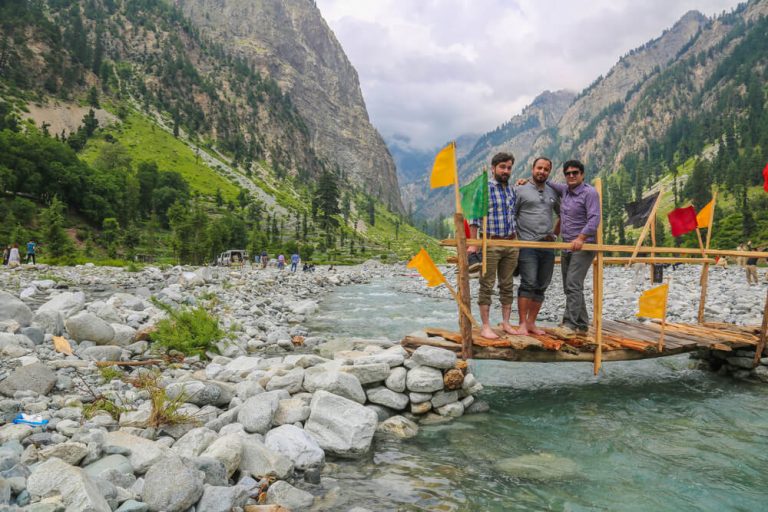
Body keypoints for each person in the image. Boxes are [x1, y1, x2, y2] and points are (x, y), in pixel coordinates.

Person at [546, 160, 601, 336]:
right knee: (570, 285)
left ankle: (569, 324)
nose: (571, 175)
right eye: (568, 173)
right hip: (567, 246)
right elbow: (546, 181)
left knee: (573, 283)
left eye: (575, 172)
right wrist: (526, 181)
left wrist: (581, 238)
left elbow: (594, 219)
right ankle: (582, 325)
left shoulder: (589, 193)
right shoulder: (565, 190)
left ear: (582, 174)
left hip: (584, 246)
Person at [467, 152, 519, 339]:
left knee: (507, 284)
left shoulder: (511, 190)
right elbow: (474, 218)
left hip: (511, 242)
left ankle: (506, 322)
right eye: (502, 167)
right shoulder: (484, 189)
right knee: (487, 284)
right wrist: (474, 244)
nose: (506, 171)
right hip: (490, 242)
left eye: (509, 168)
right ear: (493, 168)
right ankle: (486, 326)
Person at [512, 157, 560, 335]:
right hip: (527, 244)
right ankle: (522, 324)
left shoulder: (553, 191)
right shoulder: (520, 189)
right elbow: (512, 215)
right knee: (528, 283)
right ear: (532, 168)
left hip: (547, 246)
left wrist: (555, 235)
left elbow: (563, 214)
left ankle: (531, 323)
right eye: (539, 168)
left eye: (546, 169)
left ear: (549, 172)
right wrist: (515, 240)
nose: (542, 171)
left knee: (542, 285)